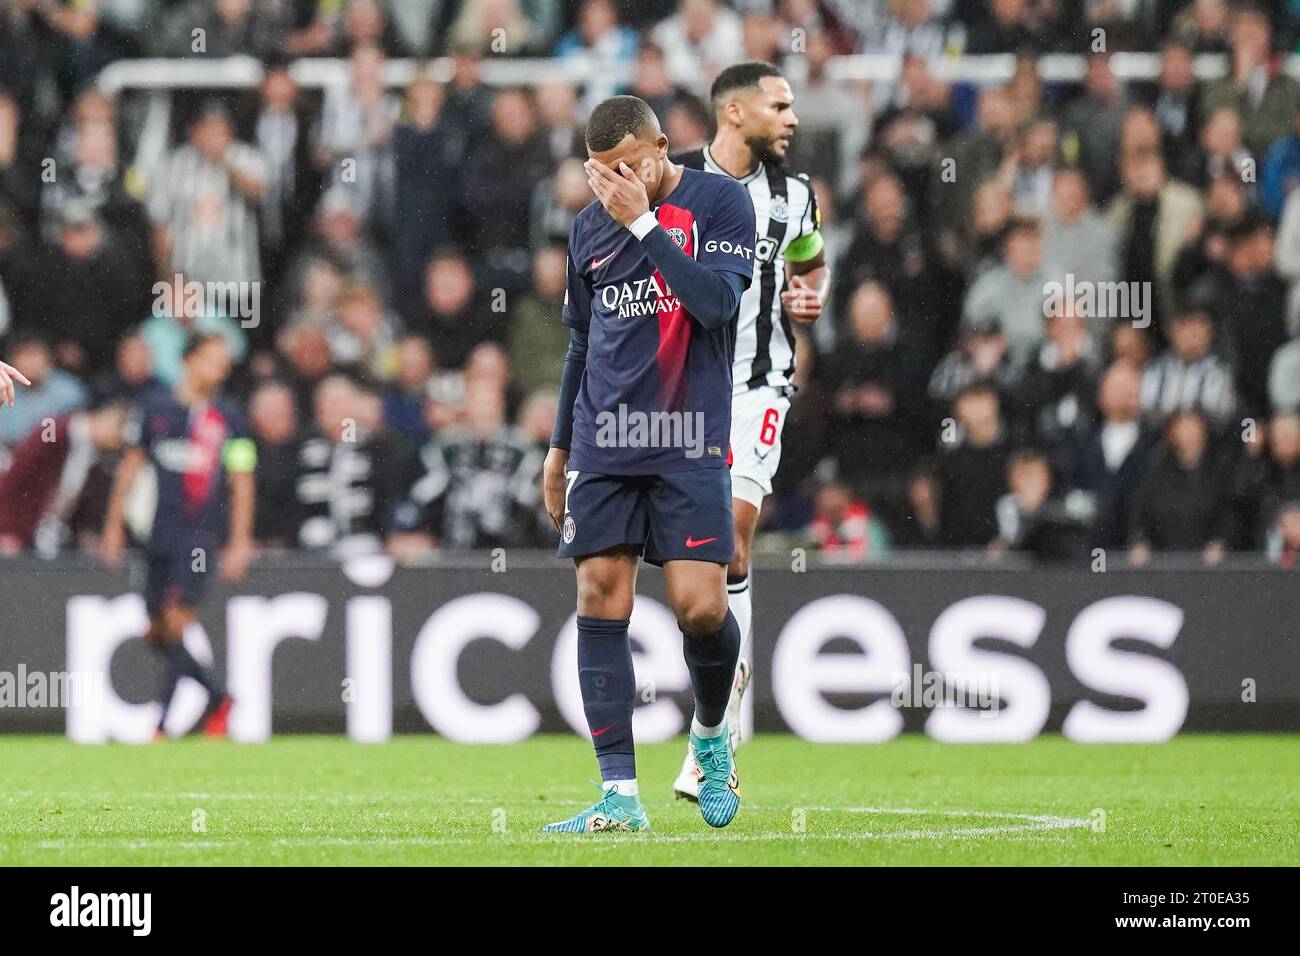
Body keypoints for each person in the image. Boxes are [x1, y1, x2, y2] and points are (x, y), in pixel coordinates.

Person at [540, 95, 756, 833]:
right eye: (601, 175)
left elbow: (717, 307)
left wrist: (643, 222)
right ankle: (620, 798)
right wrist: (557, 445)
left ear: (664, 145)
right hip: (604, 441)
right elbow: (578, 343)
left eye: (628, 168)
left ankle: (708, 735)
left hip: (690, 437)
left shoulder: (720, 203)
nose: (614, 185)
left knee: (700, 606)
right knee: (600, 594)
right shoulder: (586, 229)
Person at [669, 61, 830, 801]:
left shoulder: (797, 197)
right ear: (734, 113)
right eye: (779, 105)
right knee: (691, 574)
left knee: (732, 538)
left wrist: (808, 297)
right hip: (680, 393)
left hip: (758, 384)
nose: (792, 118)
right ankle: (718, 718)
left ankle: (716, 737)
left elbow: (811, 262)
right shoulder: (673, 184)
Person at [100, 335, 256, 740]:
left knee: (176, 622)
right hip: (156, 534)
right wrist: (113, 527)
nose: (219, 370)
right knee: (155, 631)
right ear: (188, 361)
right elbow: (130, 468)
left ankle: (162, 727)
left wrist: (240, 540)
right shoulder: (154, 410)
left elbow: (242, 480)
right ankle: (218, 696)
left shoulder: (230, 418)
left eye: (224, 363)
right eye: (212, 360)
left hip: (200, 537)